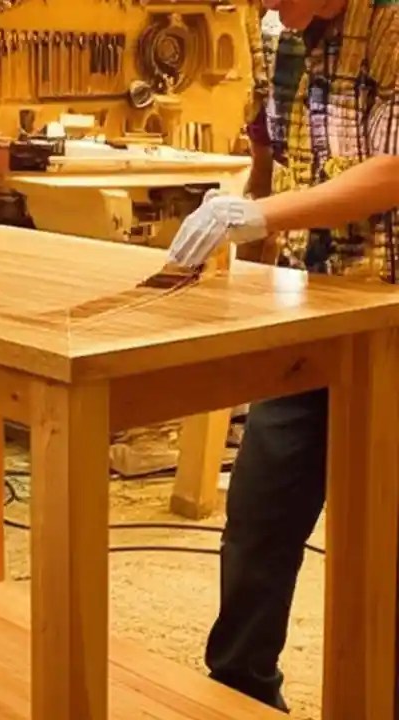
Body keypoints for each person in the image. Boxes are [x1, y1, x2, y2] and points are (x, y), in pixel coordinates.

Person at [166, 0, 399, 711]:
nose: (263, 6)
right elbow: (270, 142)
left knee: (385, 543)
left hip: (391, 313)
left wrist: (264, 215)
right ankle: (239, 693)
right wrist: (241, 224)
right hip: (309, 316)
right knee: (259, 519)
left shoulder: (391, 25)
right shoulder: (277, 33)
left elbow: (395, 169)